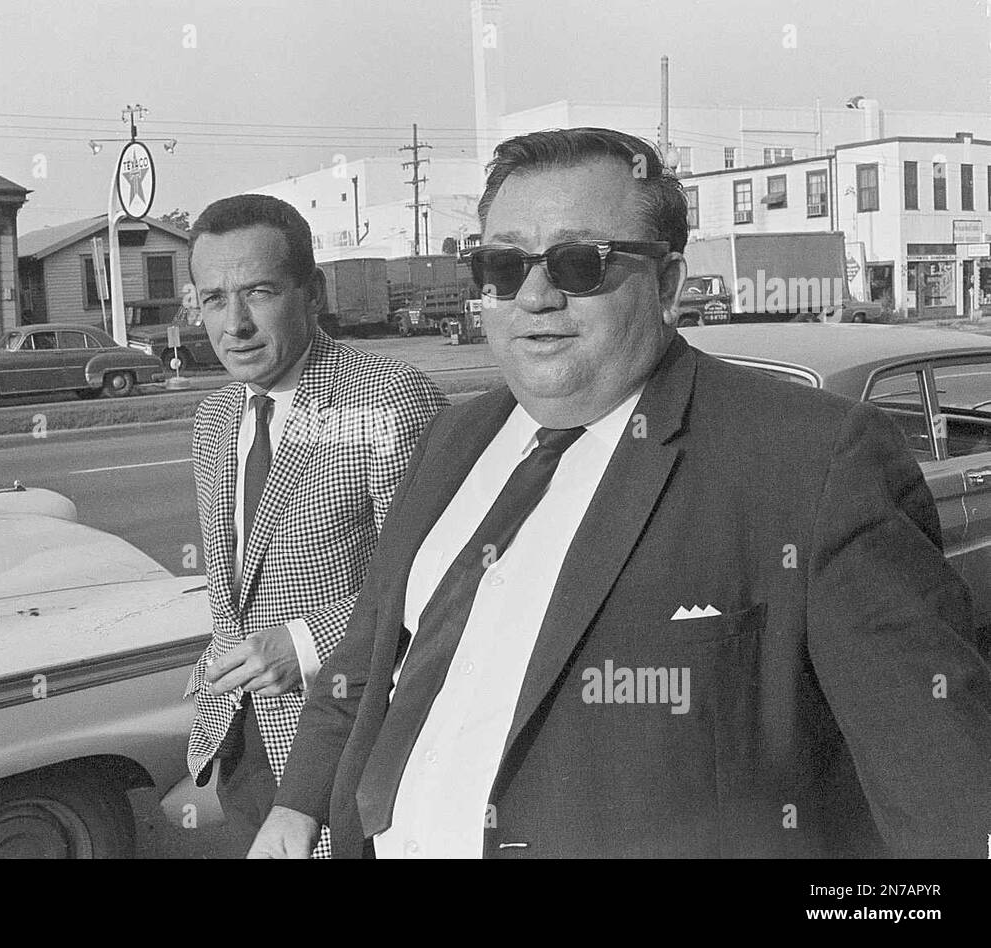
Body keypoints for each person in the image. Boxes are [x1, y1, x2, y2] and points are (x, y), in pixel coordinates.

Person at [250, 128, 991, 859]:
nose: (534, 296)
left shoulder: (812, 462)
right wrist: (295, 804)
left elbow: (940, 786)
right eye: (503, 266)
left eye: (578, 263)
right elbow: (371, 651)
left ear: (667, 284)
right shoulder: (450, 441)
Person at [182, 193, 447, 857]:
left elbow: (442, 585)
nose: (234, 324)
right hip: (237, 744)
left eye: (259, 292)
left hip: (343, 748)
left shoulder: (386, 397)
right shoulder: (215, 419)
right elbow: (239, 589)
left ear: (313, 292)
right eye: (214, 299)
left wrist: (304, 643)